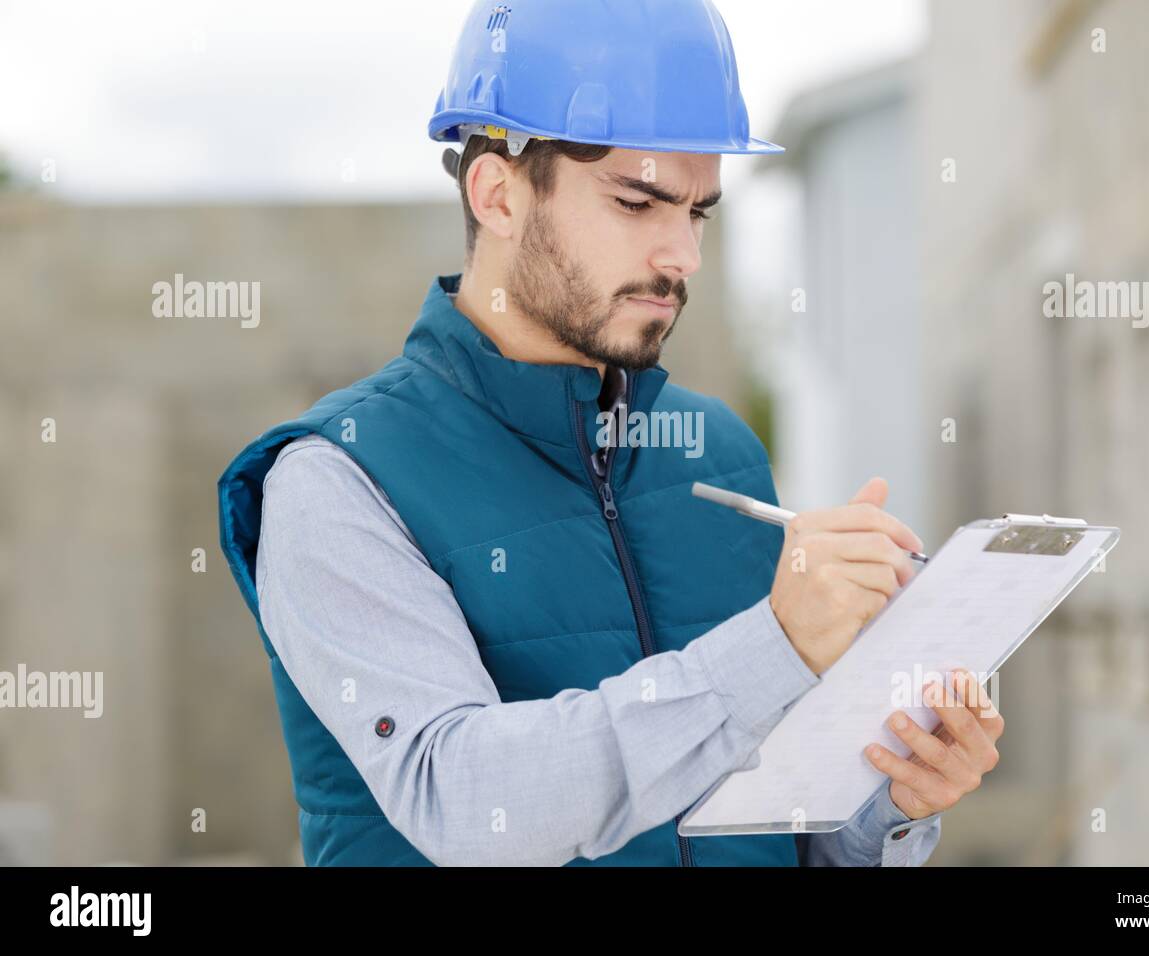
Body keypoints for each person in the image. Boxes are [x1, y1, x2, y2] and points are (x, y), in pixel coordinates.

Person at [217, 0, 1004, 867]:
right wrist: (775, 645)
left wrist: (888, 803)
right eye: (638, 201)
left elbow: (772, 831)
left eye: (697, 212)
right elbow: (463, 802)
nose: (683, 256)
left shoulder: (718, 452)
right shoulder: (341, 480)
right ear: (499, 194)